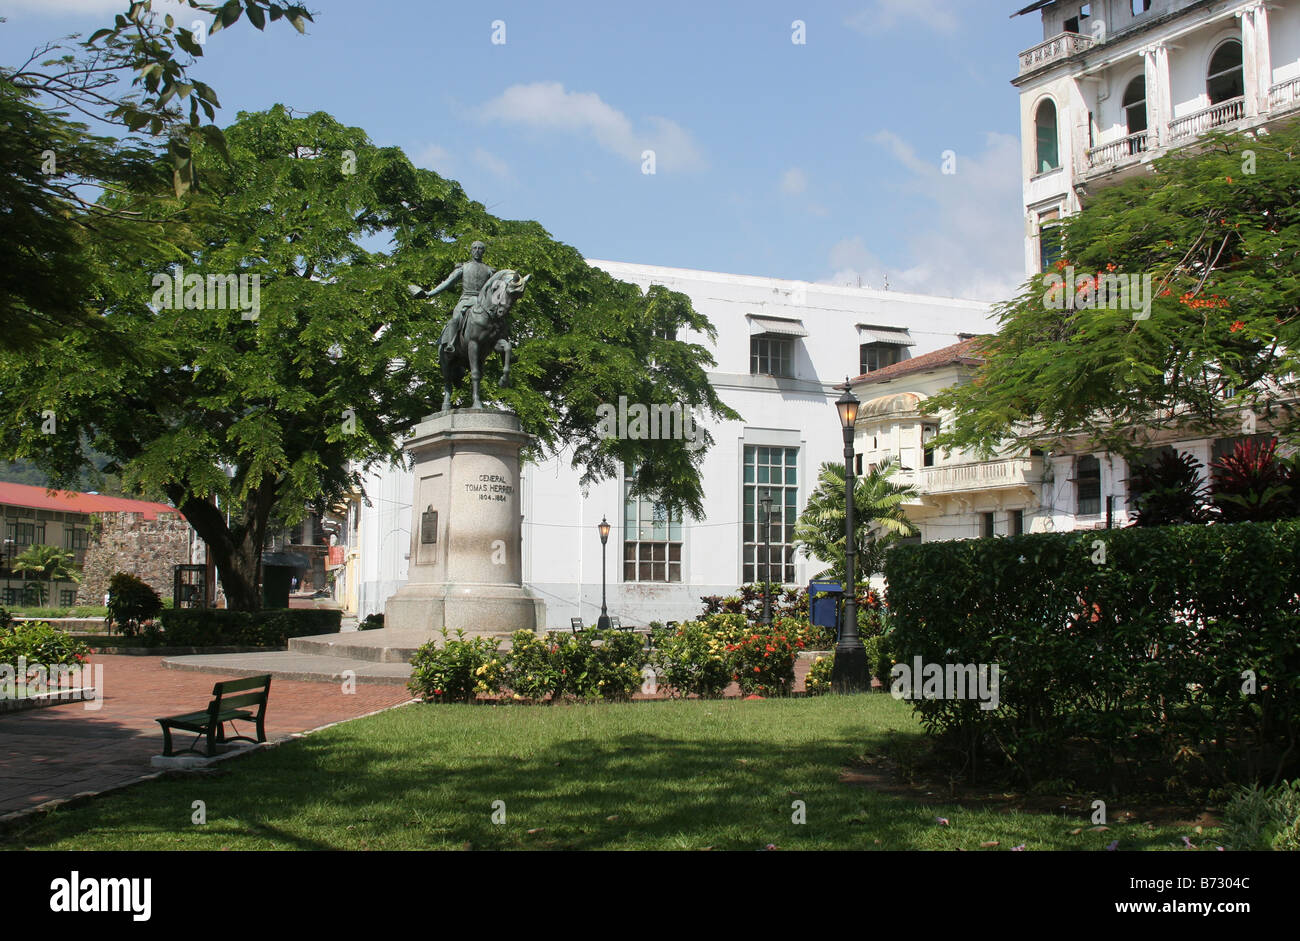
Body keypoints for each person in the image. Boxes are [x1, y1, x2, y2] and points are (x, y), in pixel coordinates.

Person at [423, 241, 496, 355]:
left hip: (481, 301)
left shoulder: (489, 270)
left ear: (483, 251)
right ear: (471, 251)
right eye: (474, 248)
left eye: (480, 248)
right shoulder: (464, 267)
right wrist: (429, 293)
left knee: (498, 320)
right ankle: (450, 344)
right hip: (466, 299)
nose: (477, 251)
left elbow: (496, 288)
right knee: (455, 319)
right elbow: (447, 283)